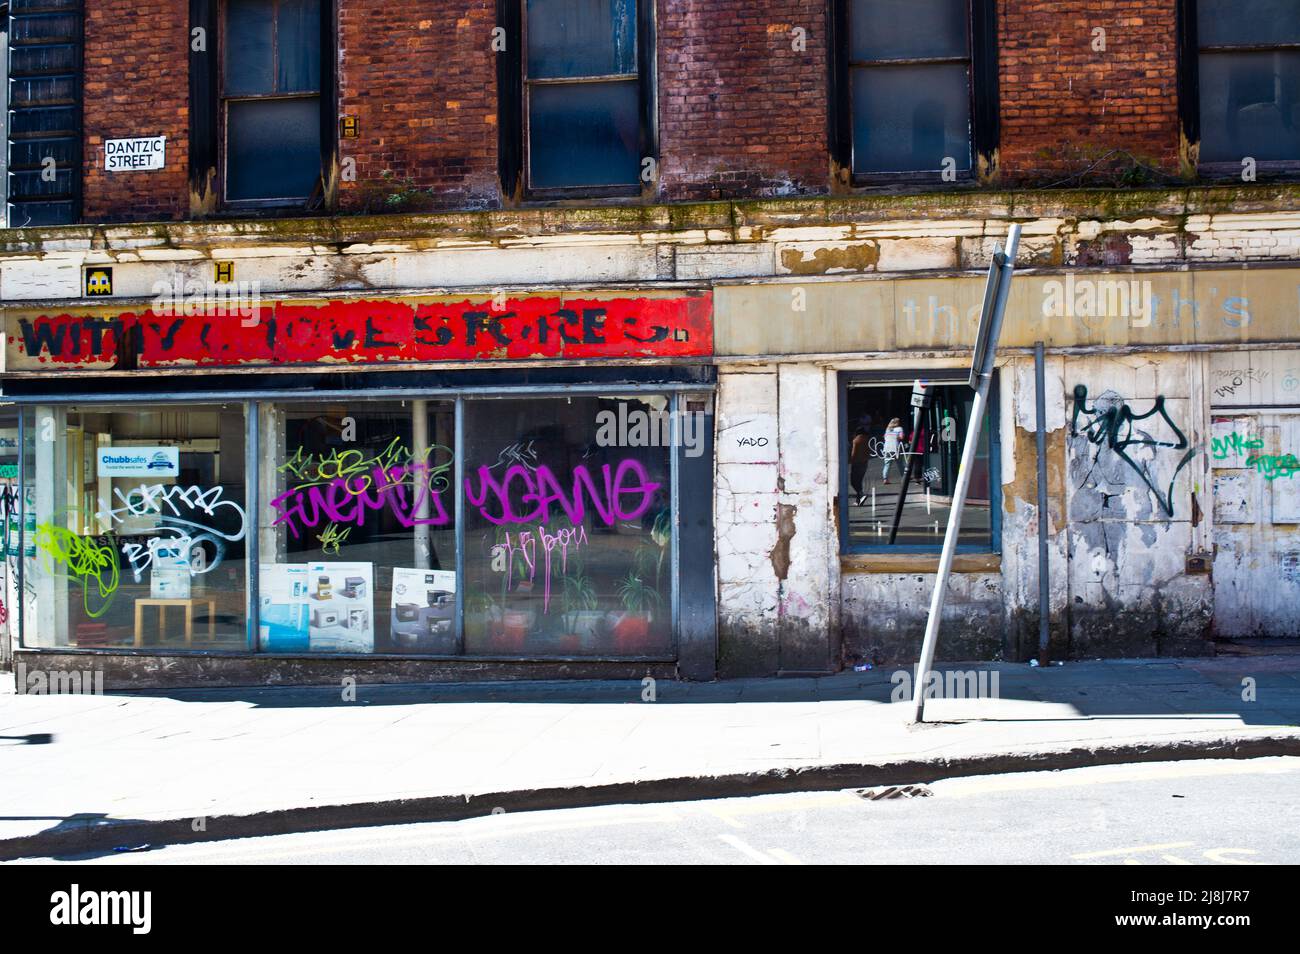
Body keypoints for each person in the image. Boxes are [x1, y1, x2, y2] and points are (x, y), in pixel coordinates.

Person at [849, 427, 869, 505]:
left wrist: (851, 460)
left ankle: (862, 494)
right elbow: (868, 451)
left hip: (857, 463)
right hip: (865, 462)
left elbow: (854, 452)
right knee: (859, 481)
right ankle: (858, 501)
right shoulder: (866, 439)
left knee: (853, 482)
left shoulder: (855, 440)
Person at [881, 417, 905, 483]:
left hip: (887, 448)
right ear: (898, 423)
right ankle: (904, 477)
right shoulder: (900, 428)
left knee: (887, 464)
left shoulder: (888, 429)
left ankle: (885, 479)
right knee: (900, 463)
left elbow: (884, 437)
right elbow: (901, 437)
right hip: (895, 448)